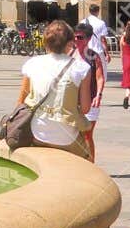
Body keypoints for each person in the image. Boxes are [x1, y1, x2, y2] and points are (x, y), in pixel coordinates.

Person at [15, 19, 96, 160]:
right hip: (66, 136)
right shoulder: (81, 68)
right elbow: (85, 108)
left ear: (46, 42)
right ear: (70, 43)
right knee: (88, 160)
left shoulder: (32, 63)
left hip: (37, 132)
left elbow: (21, 100)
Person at [73, 22, 106, 159]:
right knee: (73, 134)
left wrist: (98, 95)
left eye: (80, 38)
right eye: (74, 37)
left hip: (91, 99)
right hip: (72, 100)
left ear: (88, 39)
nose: (76, 40)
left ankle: (91, 165)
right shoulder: (69, 54)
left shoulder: (93, 56)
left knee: (87, 134)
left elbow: (100, 78)